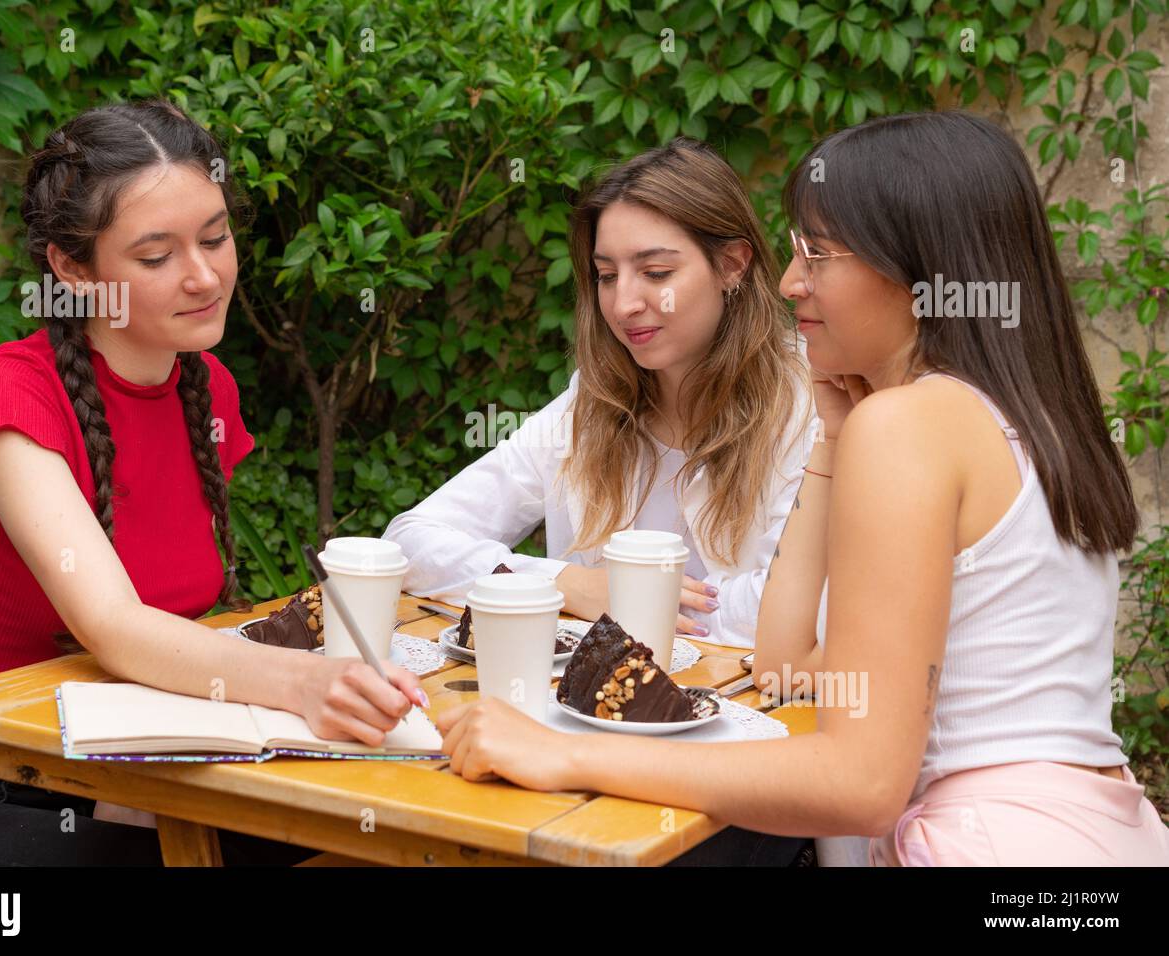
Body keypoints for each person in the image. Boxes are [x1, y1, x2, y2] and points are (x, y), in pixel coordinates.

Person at [435, 111, 1169, 866]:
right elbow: (786, 667)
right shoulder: (1024, 418)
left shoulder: (913, 426)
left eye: (817, 255)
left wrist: (564, 754)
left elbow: (858, 783)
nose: (789, 284)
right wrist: (830, 438)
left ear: (919, 271)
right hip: (1092, 837)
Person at [0, 100, 426, 866]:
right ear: (72, 268)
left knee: (380, 836)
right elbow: (115, 627)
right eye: (157, 256)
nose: (204, 276)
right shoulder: (9, 396)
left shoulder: (210, 392)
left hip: (138, 763)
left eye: (217, 237)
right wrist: (304, 682)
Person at [384, 137, 816, 649]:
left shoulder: (810, 402)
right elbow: (409, 542)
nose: (623, 303)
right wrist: (572, 585)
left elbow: (791, 611)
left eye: (656, 273)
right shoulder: (592, 401)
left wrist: (634, 604)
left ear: (733, 266)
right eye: (607, 275)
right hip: (586, 713)